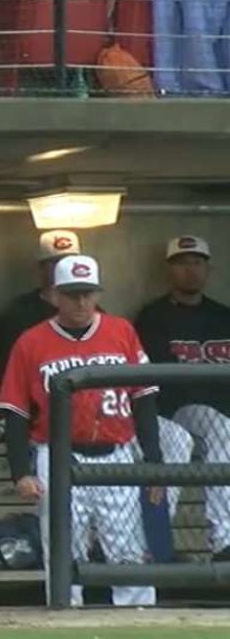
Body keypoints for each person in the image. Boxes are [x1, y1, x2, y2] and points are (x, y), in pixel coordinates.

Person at [0, 255, 162, 607]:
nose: (81, 302)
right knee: (62, 548)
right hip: (59, 455)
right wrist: (20, 472)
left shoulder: (121, 331)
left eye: (88, 293)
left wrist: (153, 459)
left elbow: (144, 398)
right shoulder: (30, 342)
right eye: (72, 294)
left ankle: (139, 618)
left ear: (98, 293)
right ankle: (64, 616)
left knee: (127, 548)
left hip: (117, 453)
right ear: (54, 296)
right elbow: (15, 412)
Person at [132, 235, 230, 562]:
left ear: (208, 269)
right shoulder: (153, 317)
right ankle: (221, 541)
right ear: (169, 270)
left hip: (221, 414)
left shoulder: (224, 316)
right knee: (215, 429)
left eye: (197, 263)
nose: (190, 270)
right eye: (182, 263)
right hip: (176, 412)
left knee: (221, 429)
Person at [0, 230, 82, 398]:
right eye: (55, 263)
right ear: (41, 267)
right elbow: (7, 380)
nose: (63, 270)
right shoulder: (17, 316)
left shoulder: (90, 312)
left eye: (69, 263)